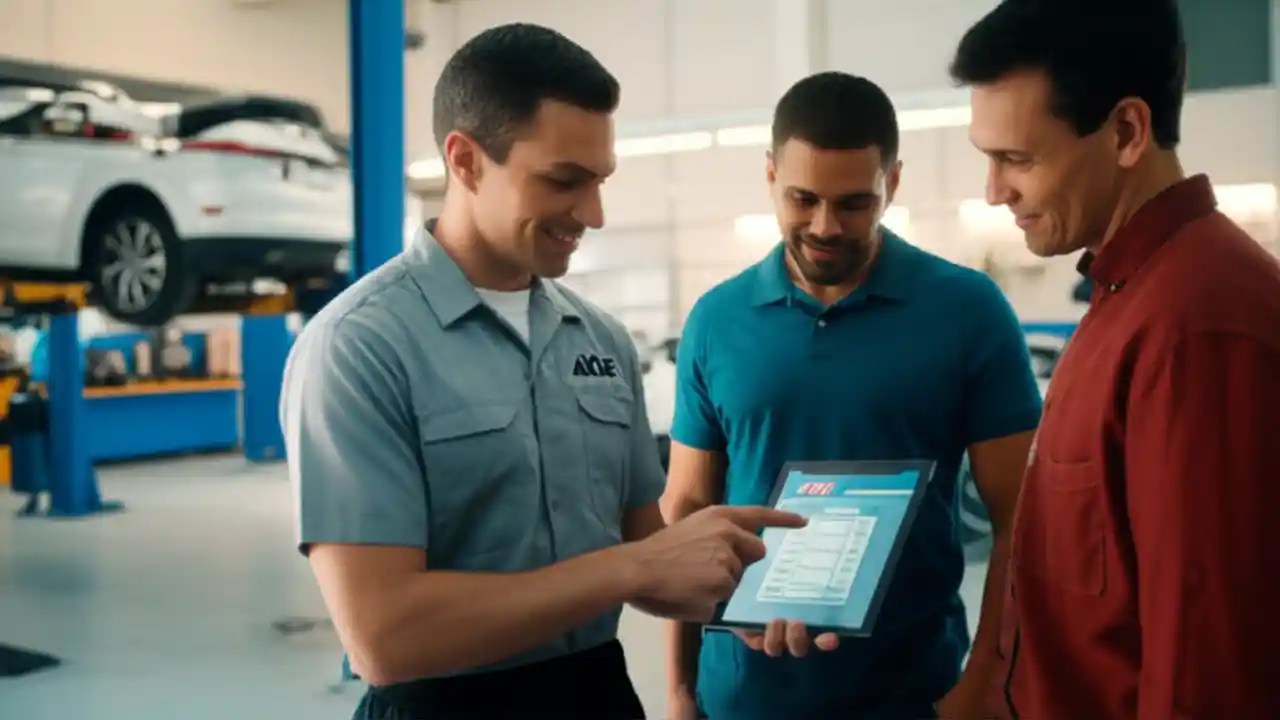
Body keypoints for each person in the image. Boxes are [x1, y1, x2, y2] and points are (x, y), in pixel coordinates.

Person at [280, 23, 804, 720]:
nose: (593, 213)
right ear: (466, 161)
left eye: (599, 181)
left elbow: (647, 552)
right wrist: (630, 568)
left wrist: (763, 593)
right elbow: (384, 637)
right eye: (563, 181)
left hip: (597, 694)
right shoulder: (361, 346)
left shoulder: (601, 340)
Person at [663, 71, 1043, 720]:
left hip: (912, 694)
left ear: (893, 182)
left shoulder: (968, 311)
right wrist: (678, 691)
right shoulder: (716, 320)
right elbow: (690, 509)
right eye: (802, 198)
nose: (825, 225)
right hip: (743, 696)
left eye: (854, 203)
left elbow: (1022, 520)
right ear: (770, 175)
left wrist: (981, 684)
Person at [950, 2, 1280, 718]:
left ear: (1127, 130)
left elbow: (1204, 677)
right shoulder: (1127, 296)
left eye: (1017, 159)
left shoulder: (1197, 328)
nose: (994, 192)